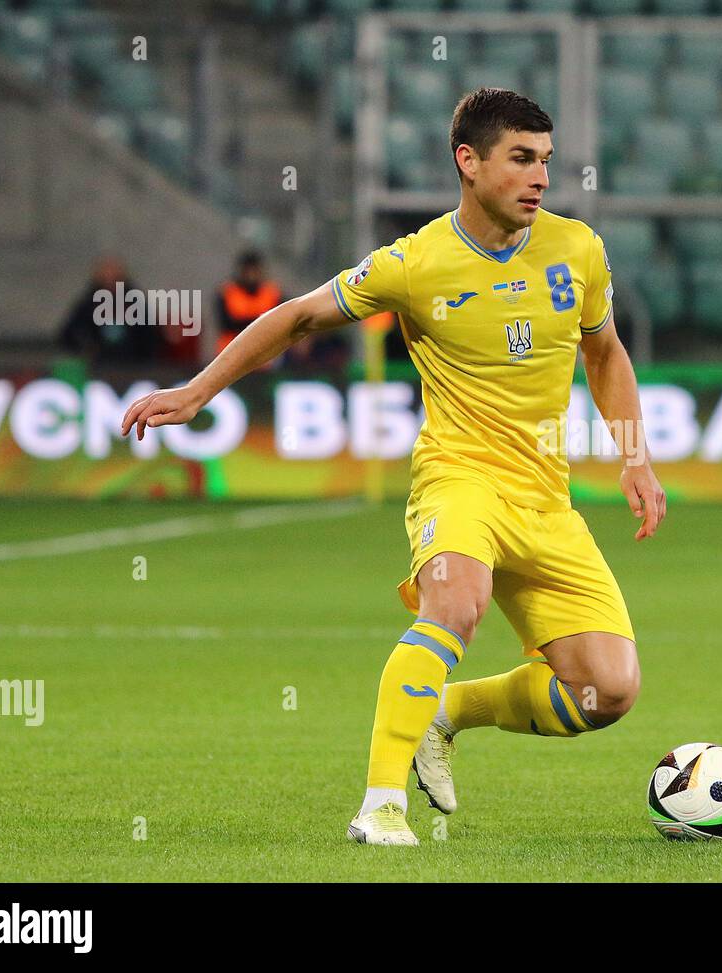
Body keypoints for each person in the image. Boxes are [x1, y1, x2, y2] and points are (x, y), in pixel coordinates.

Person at [120, 88, 666, 846]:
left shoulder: (577, 250)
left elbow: (604, 354)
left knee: (608, 689)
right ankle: (380, 804)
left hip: (547, 501)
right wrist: (197, 389)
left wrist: (635, 458)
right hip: (460, 480)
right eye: (521, 159)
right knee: (455, 605)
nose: (541, 176)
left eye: (545, 159)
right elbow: (299, 315)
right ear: (467, 162)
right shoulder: (415, 264)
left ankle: (450, 710)